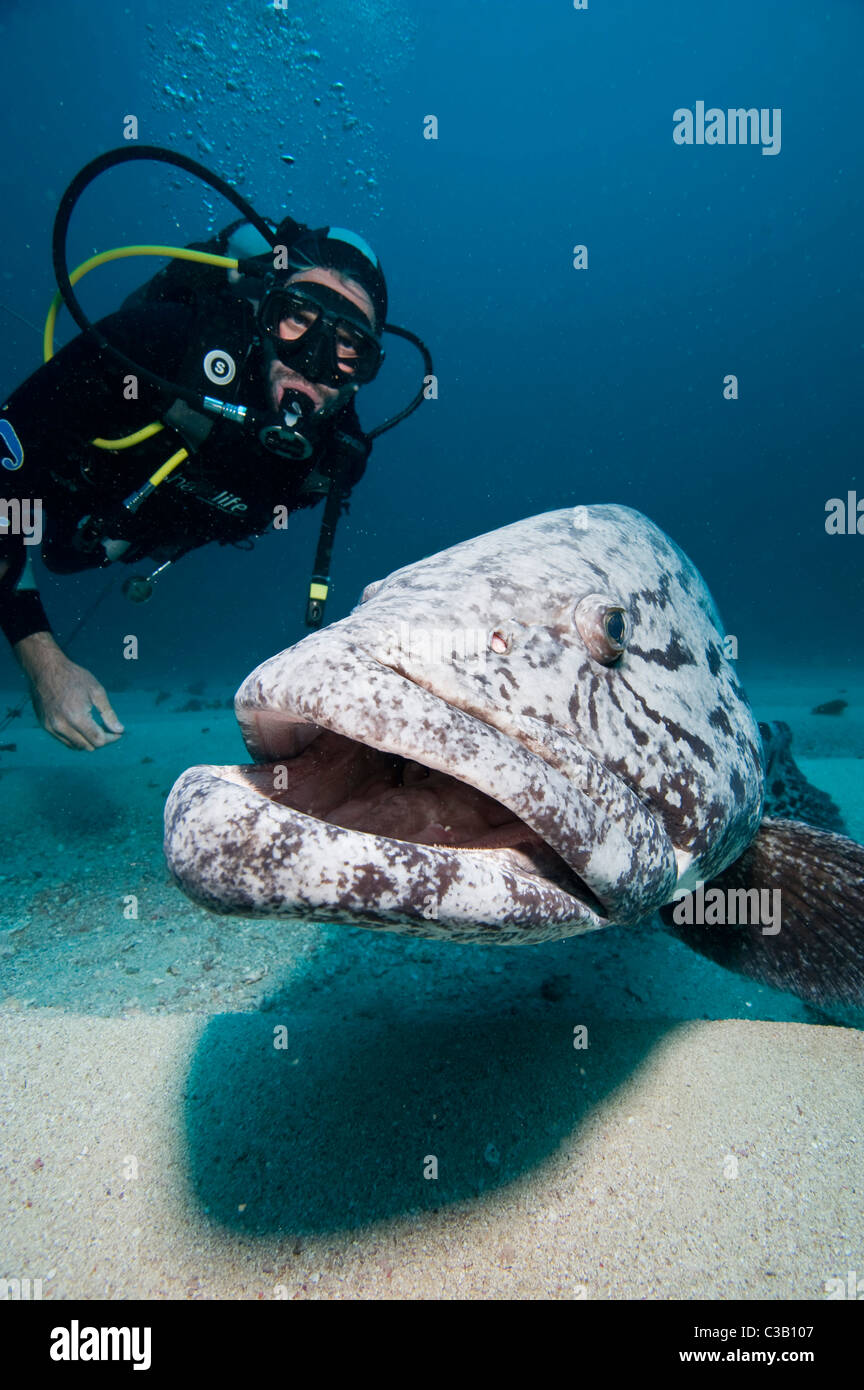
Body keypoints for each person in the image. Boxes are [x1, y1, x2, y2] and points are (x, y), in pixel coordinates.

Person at [0, 220, 389, 751]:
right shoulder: (155, 344)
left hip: (113, 537)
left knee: (71, 555)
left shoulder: (337, 458)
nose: (315, 360)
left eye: (349, 345)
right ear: (262, 311)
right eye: (298, 317)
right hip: (46, 493)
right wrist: (40, 656)